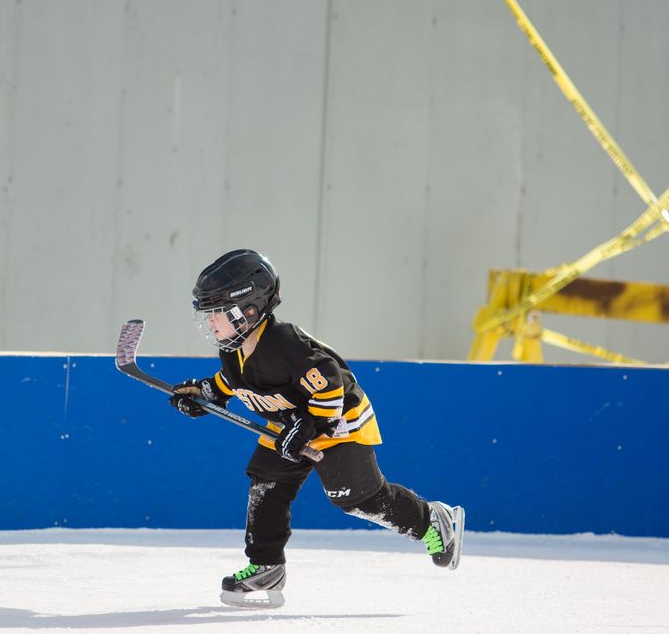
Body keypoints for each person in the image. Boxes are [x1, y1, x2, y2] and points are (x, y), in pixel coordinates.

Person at [169, 249, 465, 608]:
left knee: (357, 499)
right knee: (266, 483)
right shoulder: (234, 350)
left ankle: (433, 521)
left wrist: (307, 426)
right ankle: (265, 565)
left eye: (217, 312)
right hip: (289, 424)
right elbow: (235, 381)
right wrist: (205, 394)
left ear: (248, 309)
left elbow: (329, 383)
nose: (211, 322)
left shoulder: (284, 343)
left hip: (338, 423)